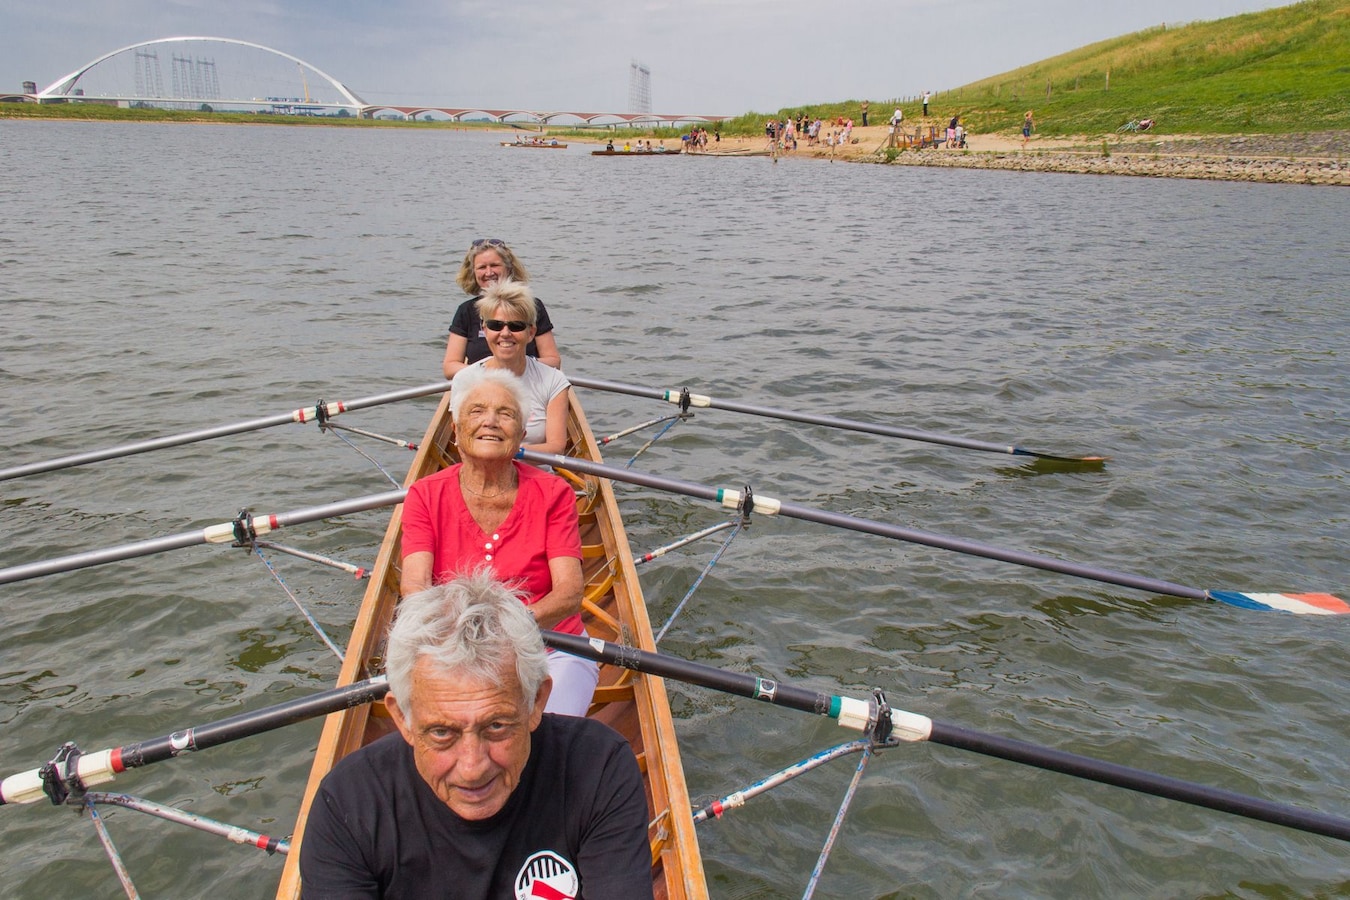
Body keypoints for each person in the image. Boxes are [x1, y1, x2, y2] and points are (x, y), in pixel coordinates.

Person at [298, 572, 653, 899]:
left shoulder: (599, 766)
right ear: (402, 718)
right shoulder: (347, 804)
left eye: (496, 726)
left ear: (536, 703)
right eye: (442, 732)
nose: (472, 767)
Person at [402, 368, 597, 715]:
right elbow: (415, 586)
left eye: (505, 413)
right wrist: (463, 634)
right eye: (476, 411)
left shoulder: (554, 493)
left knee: (541, 744)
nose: (490, 421)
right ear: (457, 433)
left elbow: (569, 594)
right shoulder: (424, 494)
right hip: (451, 643)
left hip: (548, 646)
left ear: (521, 434)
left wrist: (503, 627)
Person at [451, 281, 569, 455]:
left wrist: (505, 450)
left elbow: (556, 447)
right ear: (485, 329)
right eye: (496, 325)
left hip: (535, 473)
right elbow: (462, 442)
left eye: (516, 326)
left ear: (531, 333)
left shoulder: (554, 380)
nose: (505, 333)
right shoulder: (464, 379)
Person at [443, 238, 560, 377]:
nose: (489, 272)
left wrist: (515, 366)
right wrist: (490, 370)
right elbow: (449, 367)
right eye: (482, 267)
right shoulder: (465, 311)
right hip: (480, 383)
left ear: (508, 268)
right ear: (473, 273)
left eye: (494, 265)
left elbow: (553, 362)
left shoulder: (533, 306)